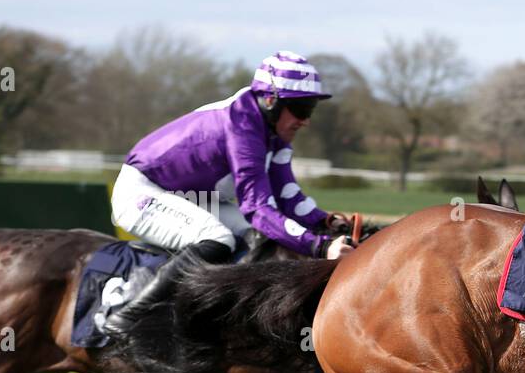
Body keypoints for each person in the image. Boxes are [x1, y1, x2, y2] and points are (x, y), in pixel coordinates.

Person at [102, 51, 352, 337]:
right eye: (301, 108)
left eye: (310, 109)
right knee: (217, 238)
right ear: (270, 100)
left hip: (191, 196)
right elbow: (258, 209)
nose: (305, 120)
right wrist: (319, 247)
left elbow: (287, 197)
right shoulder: (242, 127)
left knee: (256, 237)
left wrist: (324, 223)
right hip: (143, 192)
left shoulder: (273, 132)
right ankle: (132, 317)